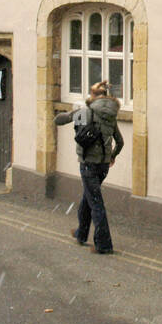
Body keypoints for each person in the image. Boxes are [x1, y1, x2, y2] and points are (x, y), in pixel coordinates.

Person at [54, 80, 124, 254]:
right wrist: (112, 156)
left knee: (95, 203)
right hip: (103, 166)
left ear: (93, 96)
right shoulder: (111, 116)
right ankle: (81, 233)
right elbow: (120, 142)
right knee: (89, 198)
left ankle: (104, 245)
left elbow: (59, 120)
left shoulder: (86, 112)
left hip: (88, 164)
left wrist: (76, 110)